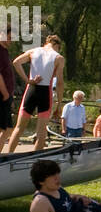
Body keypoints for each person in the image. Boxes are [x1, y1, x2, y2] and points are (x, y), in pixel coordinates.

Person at [5, 33, 65, 153]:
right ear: (56, 45)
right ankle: (35, 160)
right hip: (45, 92)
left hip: (31, 89)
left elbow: (16, 62)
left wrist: (28, 80)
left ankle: (8, 156)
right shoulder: (59, 58)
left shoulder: (34, 51)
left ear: (46, 43)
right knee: (41, 131)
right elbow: (59, 83)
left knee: (19, 128)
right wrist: (59, 104)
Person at [0, 24, 15, 152]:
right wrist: (5, 94)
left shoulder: (5, 50)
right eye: (9, 37)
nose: (11, 40)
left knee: (8, 129)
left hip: (7, 95)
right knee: (4, 128)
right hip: (2, 95)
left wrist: (10, 96)